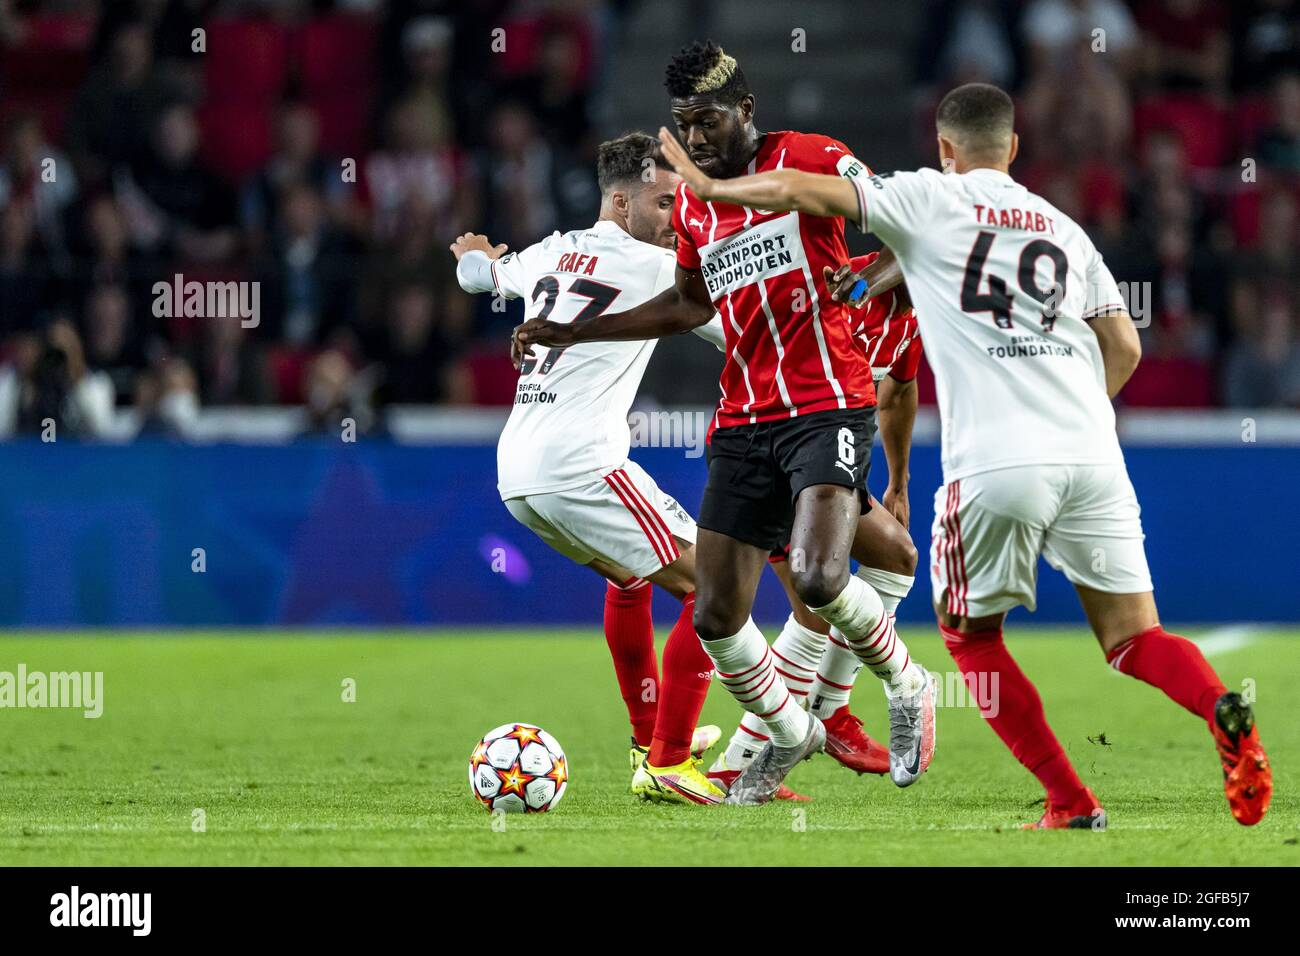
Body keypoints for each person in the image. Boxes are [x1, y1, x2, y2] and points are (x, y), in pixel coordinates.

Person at [653, 81, 1271, 829]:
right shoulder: (1065, 228)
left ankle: (1070, 802)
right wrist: (1073, 410)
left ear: (946, 150)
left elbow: (796, 187)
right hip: (1093, 453)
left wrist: (712, 186)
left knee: (971, 641)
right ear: (1013, 149)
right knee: (1137, 638)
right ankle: (1220, 705)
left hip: (998, 460)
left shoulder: (927, 197)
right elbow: (1126, 347)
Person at [514, 42, 937, 804]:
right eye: (683, 123)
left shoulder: (812, 156)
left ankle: (907, 686)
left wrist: (871, 275)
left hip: (827, 402)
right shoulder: (698, 206)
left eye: (706, 119)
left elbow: (913, 222)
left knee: (816, 574)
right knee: (714, 613)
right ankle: (791, 730)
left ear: (744, 110)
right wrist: (576, 331)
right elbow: (686, 304)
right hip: (744, 416)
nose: (696, 136)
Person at [454, 132, 732, 805]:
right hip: (579, 463)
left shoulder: (548, 252)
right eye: (665, 204)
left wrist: (474, 256)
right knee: (718, 589)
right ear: (620, 199)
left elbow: (475, 274)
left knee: (632, 577)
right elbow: (730, 328)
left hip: (519, 470)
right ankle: (667, 760)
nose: (677, 220)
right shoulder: (650, 265)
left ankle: (648, 743)